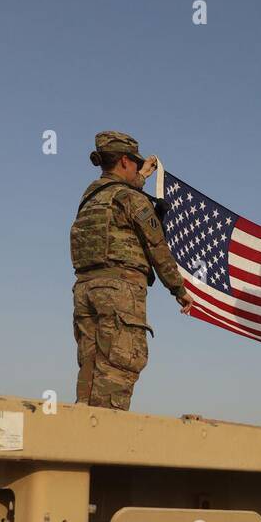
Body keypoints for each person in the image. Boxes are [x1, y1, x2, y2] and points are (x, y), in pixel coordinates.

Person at [70, 130, 193, 410]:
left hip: (85, 291)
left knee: (90, 368)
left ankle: (81, 433)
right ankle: (103, 437)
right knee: (119, 366)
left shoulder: (90, 198)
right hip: (121, 292)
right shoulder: (132, 200)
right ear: (125, 161)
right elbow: (157, 247)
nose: (139, 168)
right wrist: (179, 290)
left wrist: (143, 177)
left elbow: (116, 192)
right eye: (136, 164)